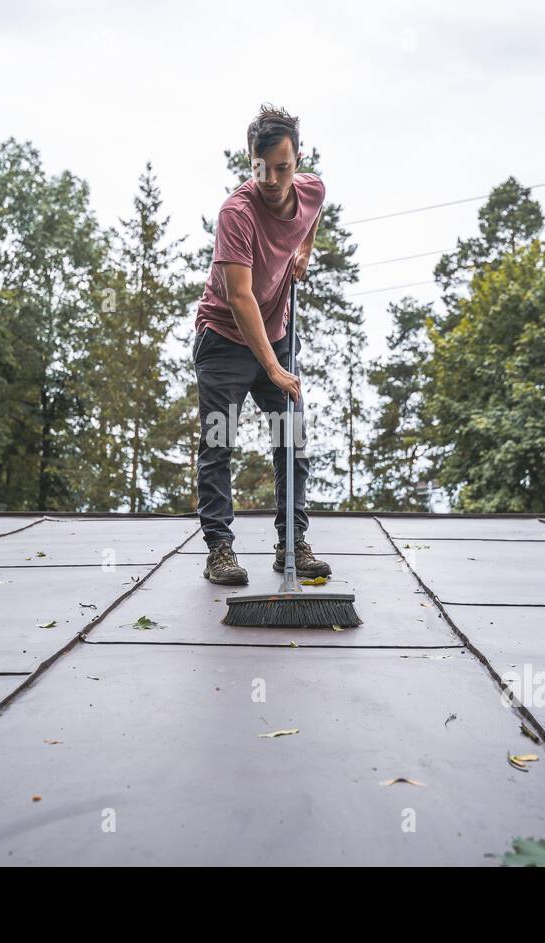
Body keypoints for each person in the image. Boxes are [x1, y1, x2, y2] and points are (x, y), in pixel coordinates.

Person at [192, 103, 332, 586]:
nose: (271, 179)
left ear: (299, 159)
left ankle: (292, 542)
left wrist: (304, 251)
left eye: (282, 167)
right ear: (248, 158)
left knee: (291, 441)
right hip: (225, 339)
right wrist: (272, 367)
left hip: (277, 336)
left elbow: (313, 212)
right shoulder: (237, 213)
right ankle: (220, 550)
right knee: (218, 440)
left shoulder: (311, 190)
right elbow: (239, 296)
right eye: (261, 167)